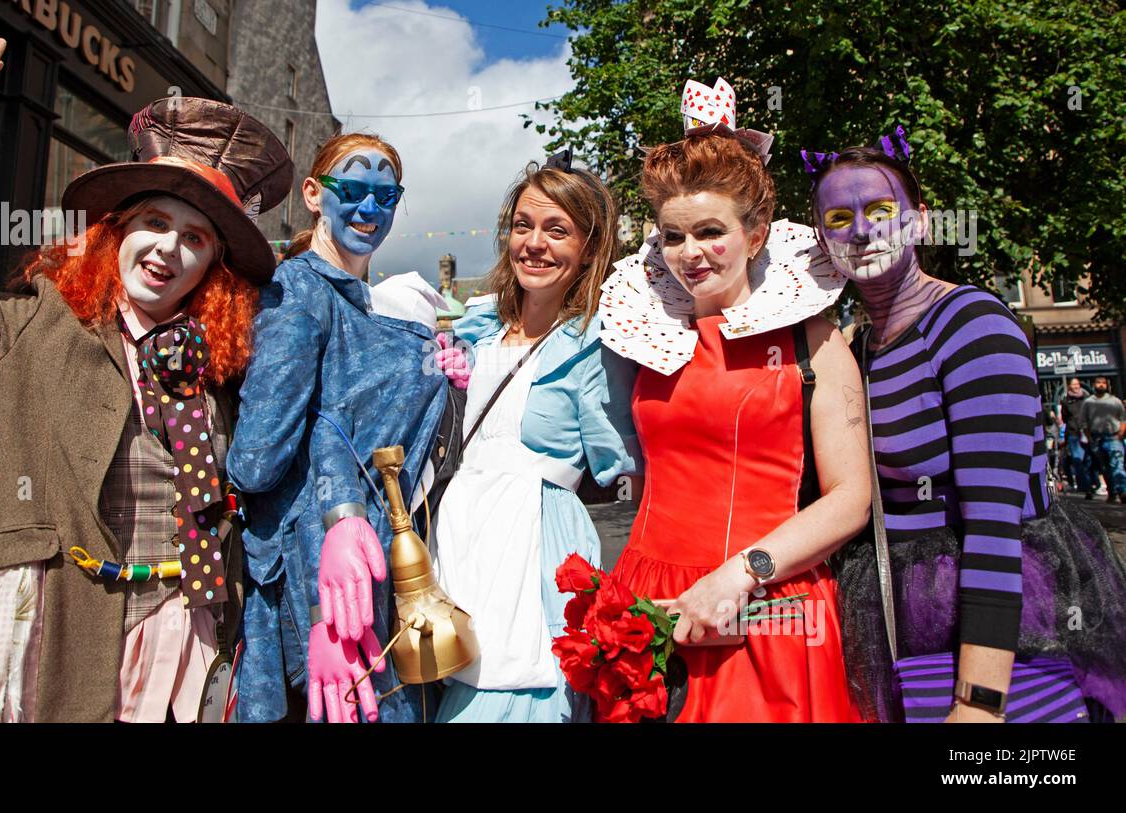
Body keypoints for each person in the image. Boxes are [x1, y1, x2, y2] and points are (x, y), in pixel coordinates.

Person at [0, 25, 294, 722]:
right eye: (153, 222)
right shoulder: (22, 330)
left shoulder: (225, 367)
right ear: (116, 232)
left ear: (212, 265)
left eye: (195, 237)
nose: (168, 249)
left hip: (181, 631)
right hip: (44, 633)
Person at [805, 129, 1126, 722]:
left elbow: (995, 526)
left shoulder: (973, 325)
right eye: (838, 217)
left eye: (881, 211)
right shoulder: (857, 348)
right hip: (904, 632)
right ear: (823, 240)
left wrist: (979, 704)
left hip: (996, 639)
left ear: (921, 222)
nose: (863, 229)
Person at [605, 79, 870, 723]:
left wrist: (738, 576)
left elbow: (851, 497)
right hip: (650, 605)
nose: (690, 253)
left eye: (709, 231)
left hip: (765, 603)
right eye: (673, 236)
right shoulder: (648, 337)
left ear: (755, 236)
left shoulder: (812, 336)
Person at [228, 134, 467, 723]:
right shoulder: (295, 294)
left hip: (379, 575)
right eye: (353, 190)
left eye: (385, 197)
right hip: (316, 583)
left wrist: (438, 374)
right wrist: (321, 613)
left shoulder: (372, 303)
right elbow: (257, 463)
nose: (369, 209)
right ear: (313, 194)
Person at [430, 151, 640, 723]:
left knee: (525, 696)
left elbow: (626, 466)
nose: (535, 244)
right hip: (459, 543)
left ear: (589, 248)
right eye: (523, 226)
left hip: (539, 547)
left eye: (557, 230)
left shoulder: (598, 345)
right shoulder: (476, 328)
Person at [1083, 377, 1126, 503]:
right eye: (1098, 382)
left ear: (1107, 385)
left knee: (1117, 465)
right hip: (1097, 438)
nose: (1101, 385)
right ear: (1093, 384)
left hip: (1113, 437)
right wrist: (1090, 437)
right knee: (1104, 468)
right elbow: (1084, 422)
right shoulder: (1088, 402)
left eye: (1103, 383)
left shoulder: (1115, 401)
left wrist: (1120, 434)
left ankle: (1122, 491)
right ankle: (1112, 493)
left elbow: (1123, 418)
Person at [1060, 378, 1094, 497]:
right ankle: (1086, 487)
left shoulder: (1087, 399)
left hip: (1088, 432)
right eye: (1073, 384)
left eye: (1077, 384)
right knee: (1078, 460)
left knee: (1088, 461)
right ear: (1069, 386)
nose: (1076, 386)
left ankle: (1093, 484)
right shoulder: (1065, 401)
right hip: (1074, 433)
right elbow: (1064, 418)